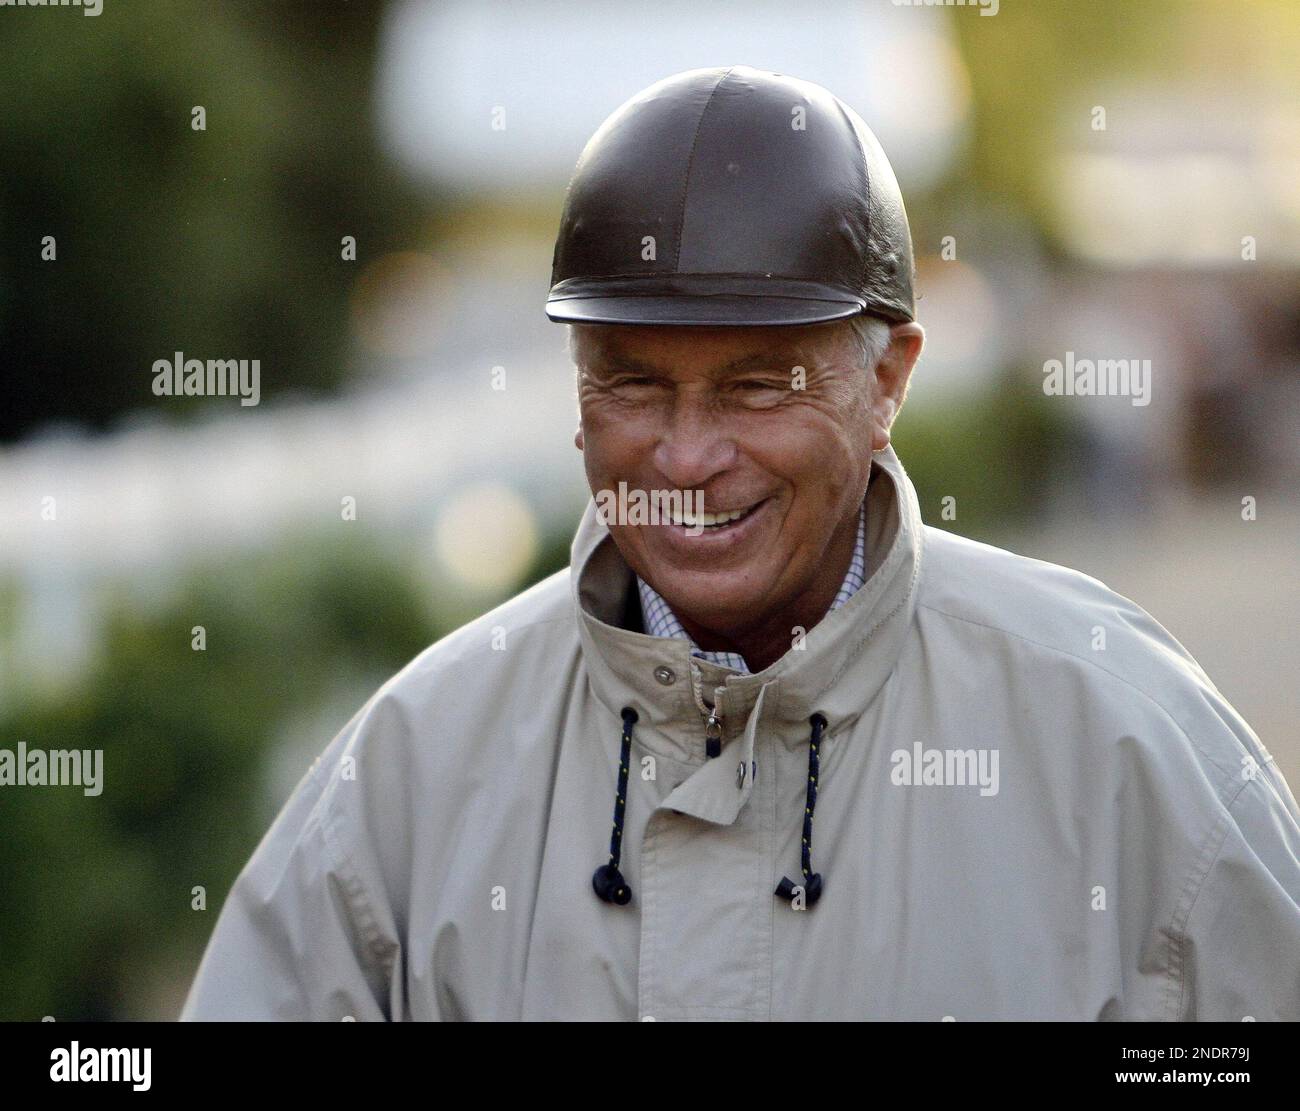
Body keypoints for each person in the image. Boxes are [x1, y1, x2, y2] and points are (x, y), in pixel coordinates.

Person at [182, 66, 1300, 1021]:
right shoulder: (409, 776)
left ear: (888, 383)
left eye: (756, 387)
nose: (682, 459)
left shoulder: (1121, 741)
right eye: (630, 385)